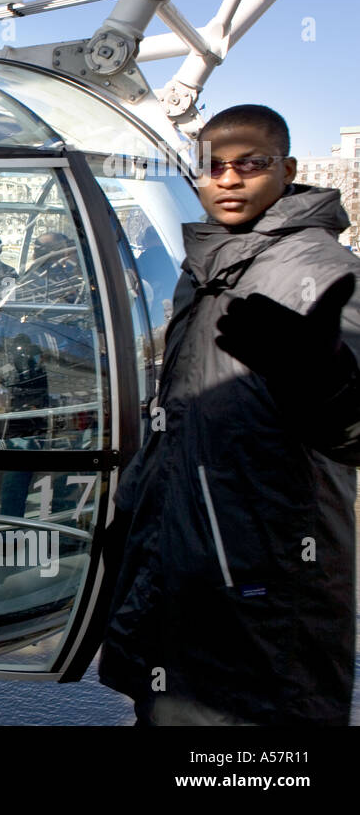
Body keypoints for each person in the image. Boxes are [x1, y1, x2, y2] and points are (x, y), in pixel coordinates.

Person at [99, 104, 360, 726]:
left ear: (288, 169)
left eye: (251, 164)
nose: (229, 179)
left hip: (261, 582)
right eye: (213, 166)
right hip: (184, 557)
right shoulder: (208, 268)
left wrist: (318, 376)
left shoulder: (322, 275)